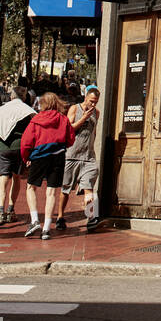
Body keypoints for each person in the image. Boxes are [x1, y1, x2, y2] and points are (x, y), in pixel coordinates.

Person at [19, 93, 80, 239]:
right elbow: (70, 139)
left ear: (43, 104)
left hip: (39, 156)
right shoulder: (63, 119)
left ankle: (34, 220)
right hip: (57, 156)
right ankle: (46, 229)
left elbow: (26, 141)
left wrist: (26, 157)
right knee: (52, 192)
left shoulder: (36, 120)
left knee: (31, 187)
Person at [57, 86, 101, 232]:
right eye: (91, 101)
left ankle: (91, 217)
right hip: (72, 155)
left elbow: (93, 132)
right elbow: (69, 129)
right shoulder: (75, 109)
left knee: (89, 187)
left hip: (88, 157)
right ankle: (60, 217)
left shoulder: (97, 113)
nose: (93, 105)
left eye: (95, 102)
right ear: (85, 98)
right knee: (66, 189)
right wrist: (83, 118)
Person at [0, 87, 35, 226]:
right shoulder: (27, 110)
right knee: (16, 178)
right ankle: (11, 210)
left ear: (11, 96)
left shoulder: (0, 110)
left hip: (2, 147)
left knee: (2, 180)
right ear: (24, 97)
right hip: (19, 147)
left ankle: (0, 212)